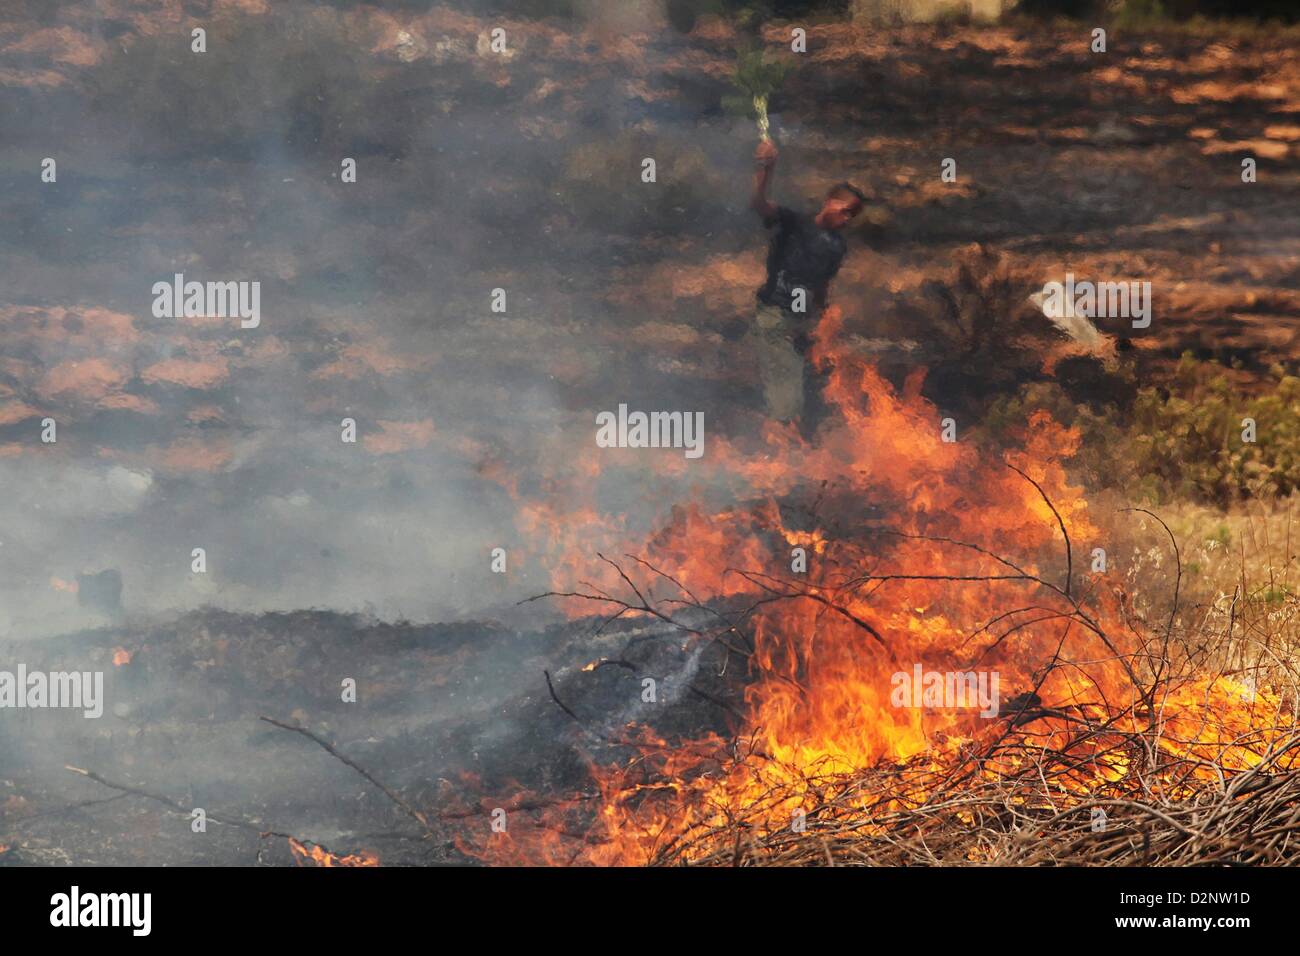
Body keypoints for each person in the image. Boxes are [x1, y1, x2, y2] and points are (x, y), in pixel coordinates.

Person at [749, 139, 863, 433]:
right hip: (775, 313)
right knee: (785, 390)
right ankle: (778, 446)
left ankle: (795, 443)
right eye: (845, 209)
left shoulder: (837, 246)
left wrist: (824, 320)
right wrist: (766, 169)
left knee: (811, 386)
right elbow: (759, 205)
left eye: (854, 215)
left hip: (804, 320)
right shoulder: (794, 222)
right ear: (829, 201)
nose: (847, 218)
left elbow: (823, 283)